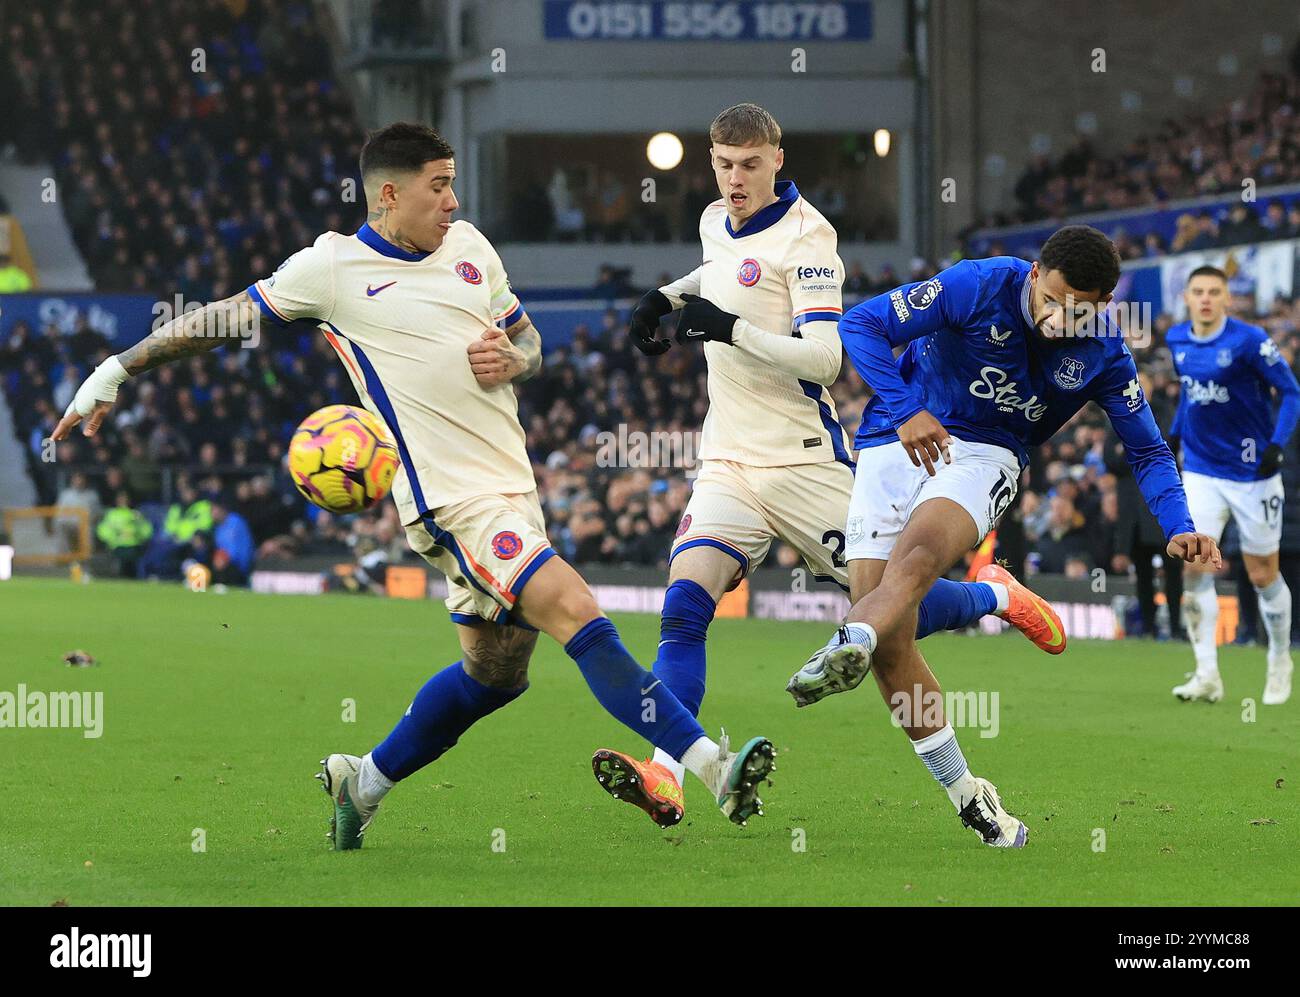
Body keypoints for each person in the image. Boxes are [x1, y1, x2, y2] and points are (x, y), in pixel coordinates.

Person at [53, 122, 776, 852]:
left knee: (495, 675)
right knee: (575, 606)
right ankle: (710, 767)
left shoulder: (471, 249)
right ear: (390, 194)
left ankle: (360, 782)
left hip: (512, 488)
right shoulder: (330, 269)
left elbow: (530, 341)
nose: (453, 201)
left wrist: (515, 359)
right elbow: (227, 318)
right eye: (439, 186)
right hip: (448, 500)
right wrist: (117, 369)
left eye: (453, 183)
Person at [594, 103, 1063, 829]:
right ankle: (667, 774)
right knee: (684, 610)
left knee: (884, 619)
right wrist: (670, 295)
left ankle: (994, 599)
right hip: (727, 460)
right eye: (722, 165)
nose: (735, 179)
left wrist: (730, 329)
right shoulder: (715, 219)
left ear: (777, 158)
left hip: (804, 461)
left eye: (750, 164)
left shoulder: (811, 241)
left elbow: (828, 355)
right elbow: (723, 266)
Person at [787, 225, 1222, 848]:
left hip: (988, 453)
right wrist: (906, 408)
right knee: (890, 640)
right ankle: (970, 783)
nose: (1062, 317)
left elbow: (1149, 449)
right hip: (897, 431)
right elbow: (860, 324)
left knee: (912, 566)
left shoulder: (1104, 352)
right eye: (1057, 297)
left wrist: (1180, 526)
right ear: (1037, 272)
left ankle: (845, 637)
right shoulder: (979, 283)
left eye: (1083, 309)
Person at [1167, 265, 1299, 705]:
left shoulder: (1249, 341)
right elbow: (1190, 393)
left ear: (1227, 298)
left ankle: (1280, 658)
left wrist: (1277, 445)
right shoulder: (1177, 339)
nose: (1205, 299)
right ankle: (1207, 673)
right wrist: (1175, 430)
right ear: (1186, 297)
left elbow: (1291, 392)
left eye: (1214, 292)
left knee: (1263, 573)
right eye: (1198, 291)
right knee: (1194, 565)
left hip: (1252, 476)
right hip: (1202, 470)